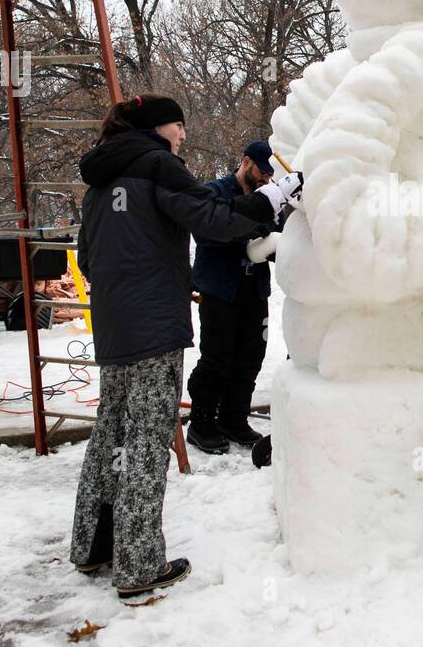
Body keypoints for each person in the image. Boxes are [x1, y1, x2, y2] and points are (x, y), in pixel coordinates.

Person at [69, 95, 301, 601]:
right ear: (157, 127)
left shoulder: (101, 180)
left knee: (111, 431)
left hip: (114, 326)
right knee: (150, 440)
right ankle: (138, 566)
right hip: (154, 328)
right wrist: (275, 196)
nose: (182, 136)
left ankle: (92, 545)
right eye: (178, 126)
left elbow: (85, 258)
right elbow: (213, 220)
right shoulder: (156, 167)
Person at [185, 140, 284, 453]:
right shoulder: (215, 192)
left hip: (253, 290)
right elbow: (209, 232)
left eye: (270, 176)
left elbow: (276, 231)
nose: (266, 180)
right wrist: (252, 238)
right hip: (220, 289)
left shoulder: (267, 196)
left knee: (250, 355)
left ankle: (233, 418)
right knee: (217, 357)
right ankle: (201, 423)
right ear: (245, 162)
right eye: (262, 172)